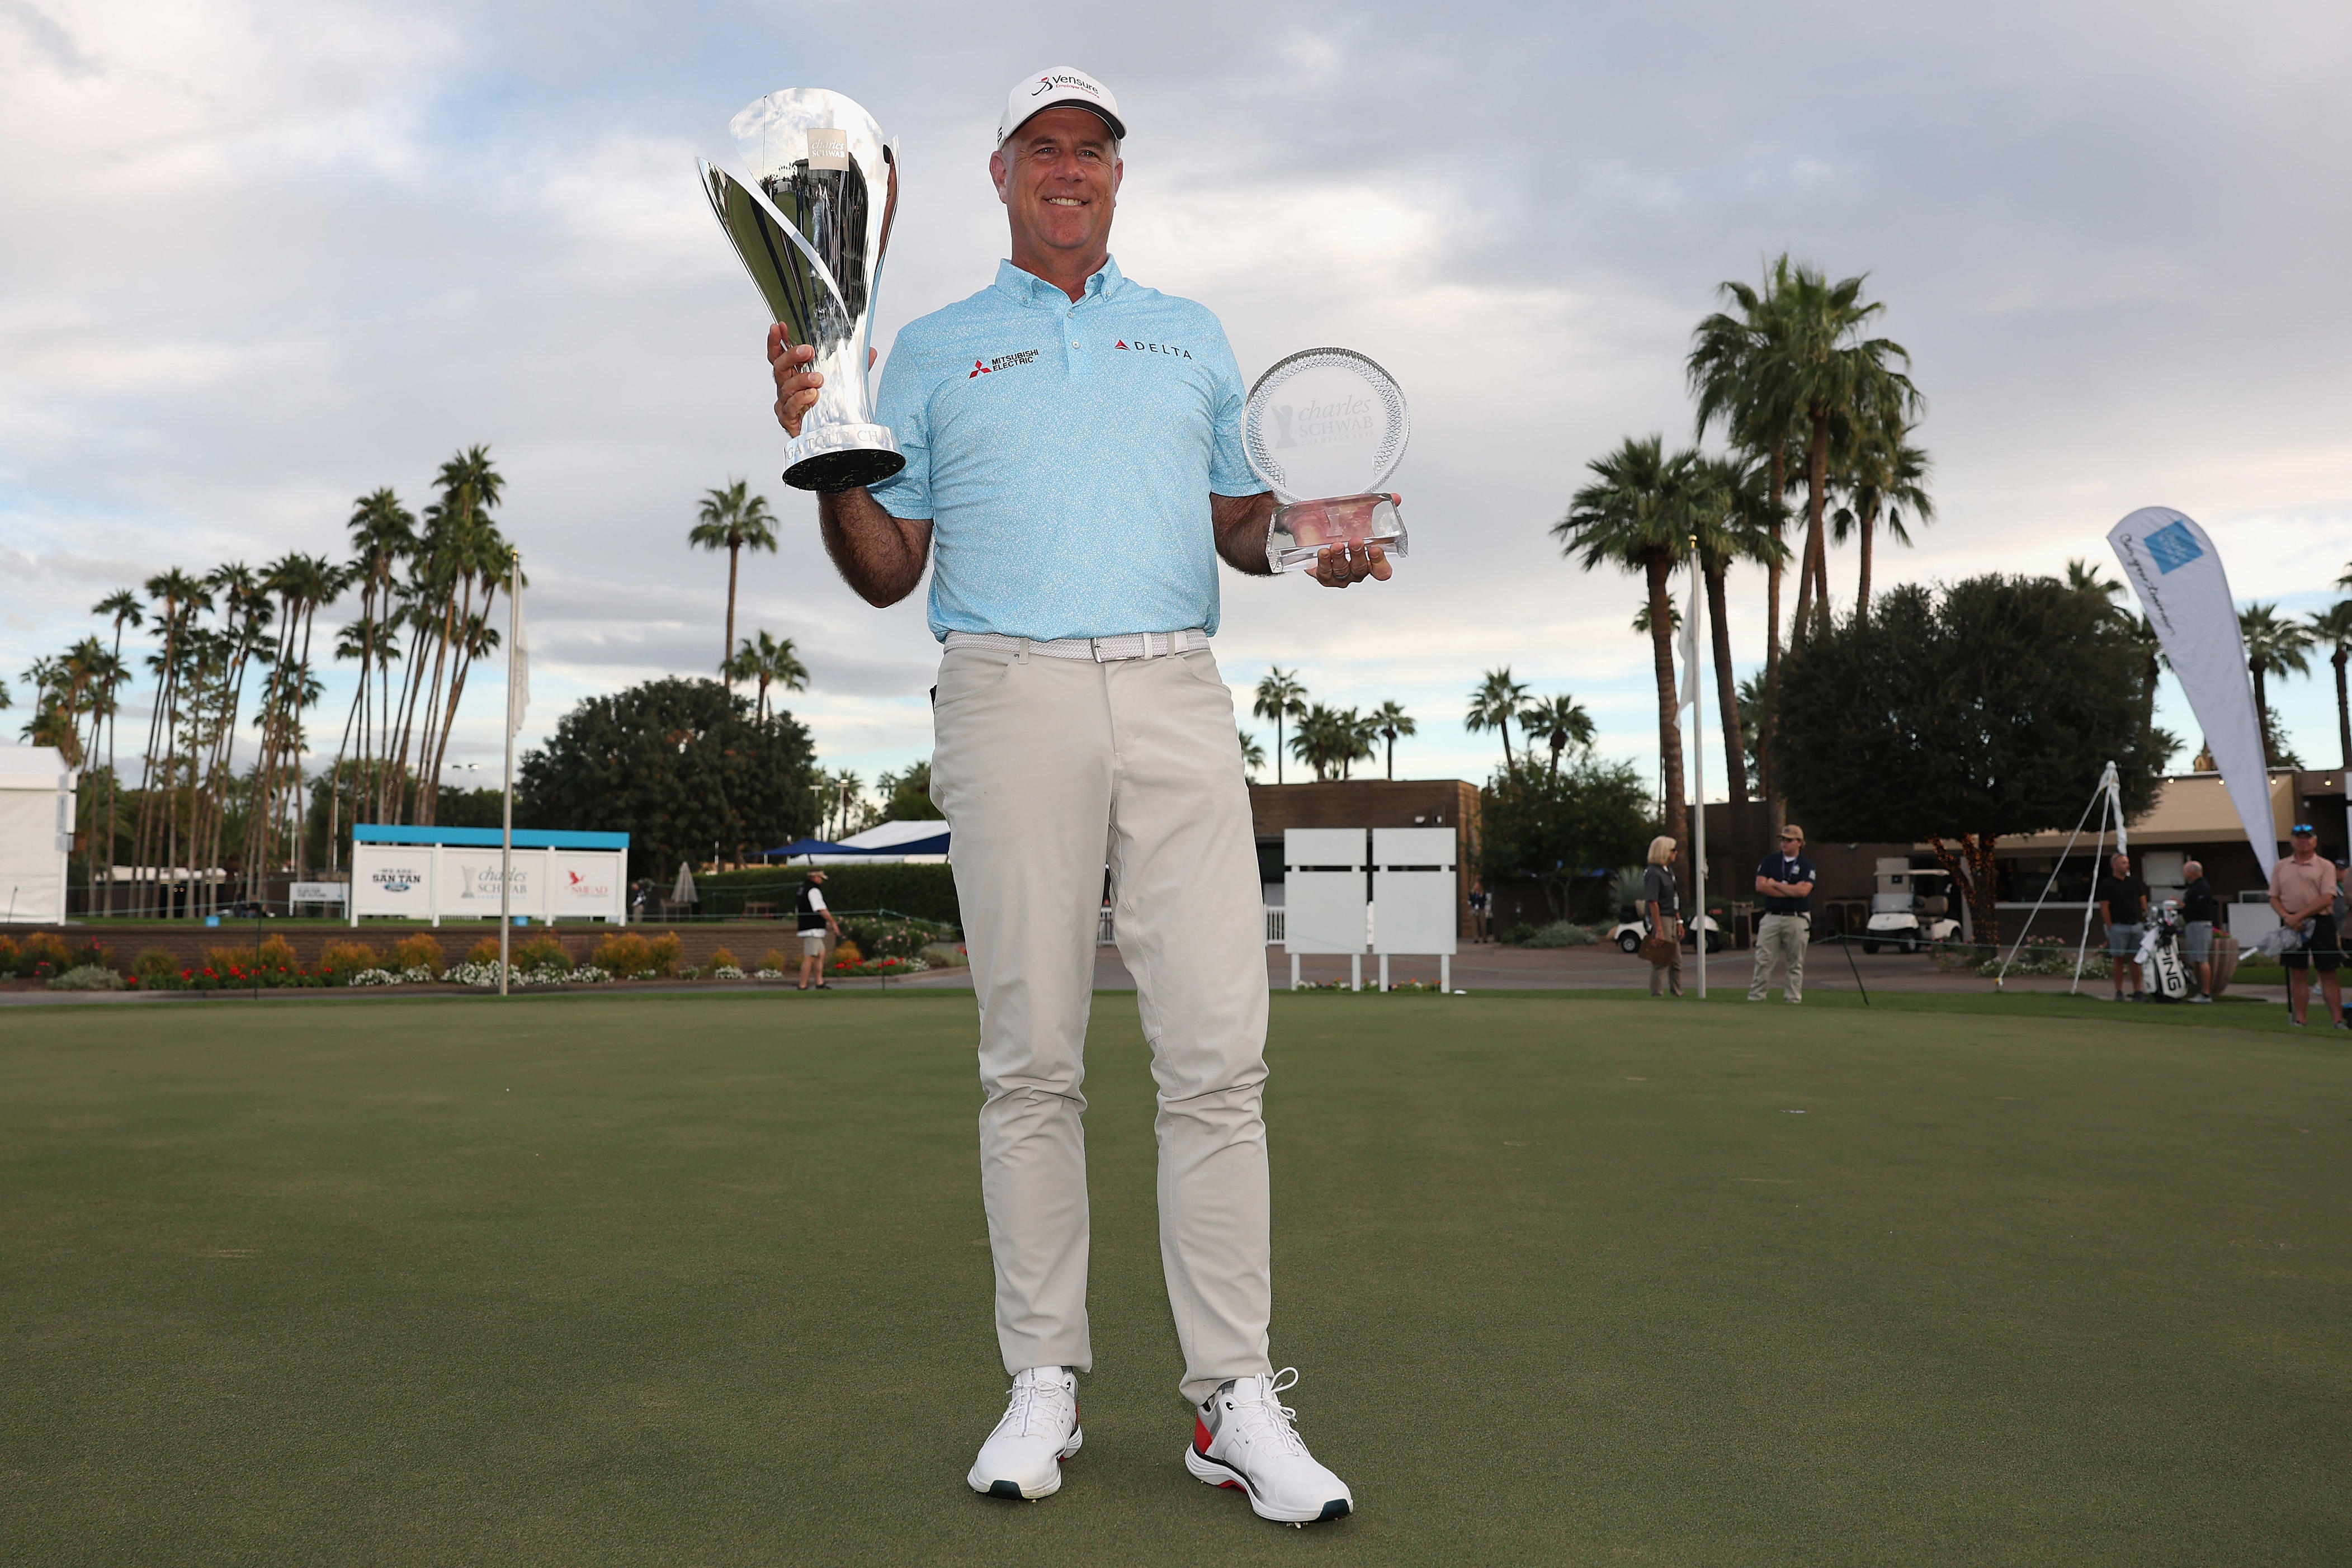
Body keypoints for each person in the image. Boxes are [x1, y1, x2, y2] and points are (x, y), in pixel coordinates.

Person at [766, 66, 1381, 1524]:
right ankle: (1043, 1376)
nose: (1067, 170)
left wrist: (1322, 538)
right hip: (1005, 689)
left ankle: (1232, 1399)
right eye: (1041, 147)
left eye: (1091, 149)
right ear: (1000, 174)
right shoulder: (930, 347)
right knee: (1030, 1059)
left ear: (1116, 174)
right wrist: (822, 442)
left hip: (1176, 688)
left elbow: (1242, 526)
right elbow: (885, 568)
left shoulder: (1191, 335)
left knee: (1216, 1058)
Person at [2269, 824, 2345, 1028]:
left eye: (2307, 837)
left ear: (2315, 841)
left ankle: (2338, 1020)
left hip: (2321, 921)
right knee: (2298, 972)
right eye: (2299, 837)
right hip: (2291, 923)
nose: (2303, 841)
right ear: (2292, 840)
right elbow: (2274, 897)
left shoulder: (2325, 866)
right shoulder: (2281, 866)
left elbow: (2327, 896)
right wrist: (2287, 917)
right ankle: (2301, 1019)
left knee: (2328, 972)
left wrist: (2300, 916)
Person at [1749, 825, 1816, 1004]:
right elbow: (1761, 886)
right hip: (1772, 916)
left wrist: (1776, 885)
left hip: (1797, 918)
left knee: (1795, 962)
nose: (1785, 843)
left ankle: (1793, 999)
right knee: (1763, 959)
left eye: (1789, 840)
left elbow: (1803, 892)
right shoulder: (1770, 861)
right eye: (1783, 840)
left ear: (1800, 843)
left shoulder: (1807, 865)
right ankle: (1757, 997)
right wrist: (1789, 891)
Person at [2093, 851, 2149, 1001]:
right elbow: (2105, 907)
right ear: (2115, 865)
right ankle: (2119, 991)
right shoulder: (2107, 885)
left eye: (2128, 863)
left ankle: (2138, 991)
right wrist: (2110, 925)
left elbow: (2143, 901)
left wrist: (2145, 917)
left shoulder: (2135, 882)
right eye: (2123, 863)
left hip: (2136, 925)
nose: (2127, 866)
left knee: (2135, 959)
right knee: (2118, 959)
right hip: (2118, 927)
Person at [1642, 834, 1683, 998]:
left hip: (1671, 917)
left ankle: (1677, 993)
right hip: (1662, 918)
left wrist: (1679, 921)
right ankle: (1657, 994)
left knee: (1677, 961)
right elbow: (1653, 902)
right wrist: (1659, 929)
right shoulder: (1653, 873)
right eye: (1673, 850)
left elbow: (1674, 898)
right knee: (1660, 960)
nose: (1676, 853)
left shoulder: (1669, 872)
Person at [2179, 858, 2219, 1003]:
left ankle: (2206, 993)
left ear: (2192, 872)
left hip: (2200, 925)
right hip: (2193, 924)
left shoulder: (2202, 887)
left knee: (2202, 959)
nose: (2184, 875)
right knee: (2195, 959)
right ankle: (2199, 990)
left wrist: (2183, 906)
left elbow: (2200, 907)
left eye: (2186, 872)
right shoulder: (2194, 887)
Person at [794, 869, 841, 991]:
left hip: (808, 927)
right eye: (820, 878)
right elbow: (821, 909)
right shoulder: (813, 890)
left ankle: (820, 983)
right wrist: (833, 923)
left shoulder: (802, 890)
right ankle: (802, 985)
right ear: (814, 877)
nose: (821, 881)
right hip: (812, 929)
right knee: (810, 956)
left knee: (820, 954)